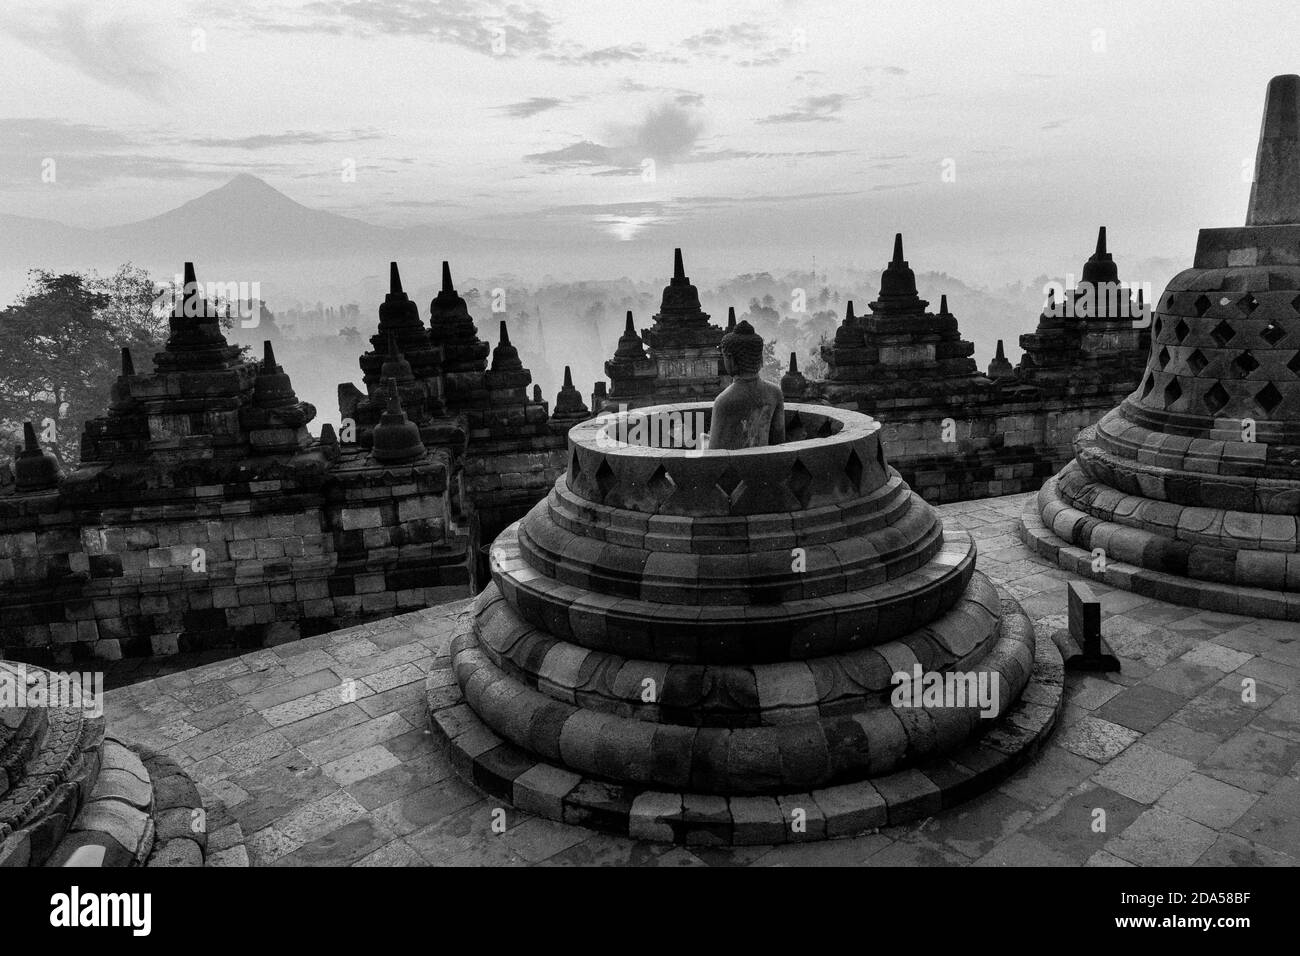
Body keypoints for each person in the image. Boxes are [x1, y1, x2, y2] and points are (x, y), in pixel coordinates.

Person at [708, 320, 785, 449]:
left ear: (731, 359)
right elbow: (780, 445)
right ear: (759, 359)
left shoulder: (724, 401)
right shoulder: (775, 393)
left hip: (734, 468)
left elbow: (714, 457)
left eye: (724, 357)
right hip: (766, 465)